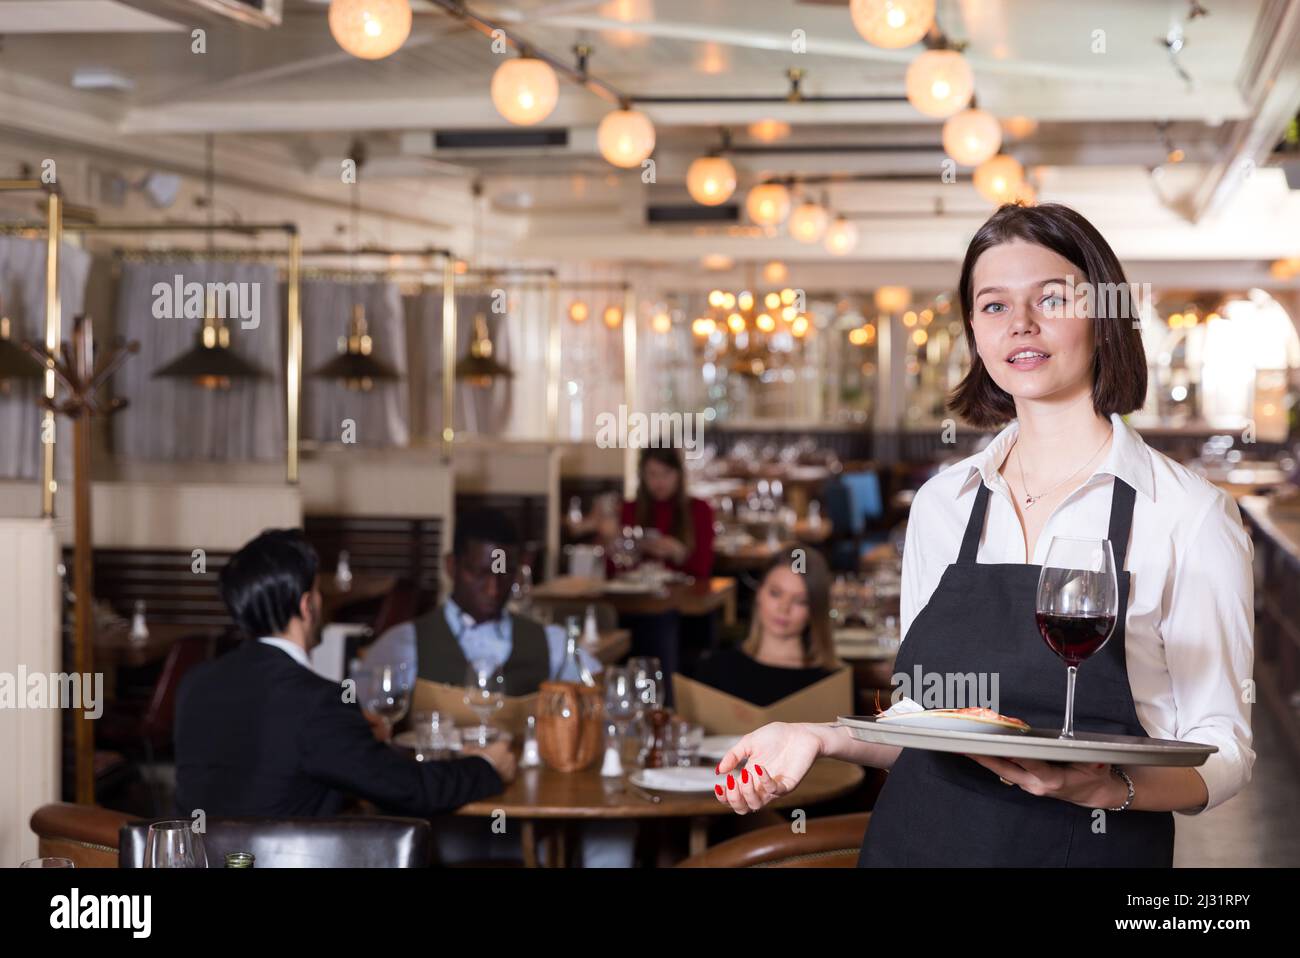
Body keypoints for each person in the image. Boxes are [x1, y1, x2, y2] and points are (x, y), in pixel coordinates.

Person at [713, 202, 1255, 867]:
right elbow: (922, 719)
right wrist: (815, 736)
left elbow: (1224, 747)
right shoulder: (944, 503)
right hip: (919, 845)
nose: (1021, 324)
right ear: (974, 330)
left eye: (1051, 298)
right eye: (994, 306)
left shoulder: (1188, 516)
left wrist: (1109, 787)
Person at [174, 529, 515, 819]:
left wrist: (356, 736)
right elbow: (409, 790)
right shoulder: (318, 703)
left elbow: (262, 762)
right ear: (308, 605)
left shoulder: (195, 684)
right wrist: (487, 766)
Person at [366, 509, 600, 689]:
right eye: (480, 573)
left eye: (504, 573)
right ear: (451, 566)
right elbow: (358, 722)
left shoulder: (552, 644)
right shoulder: (402, 646)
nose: (493, 589)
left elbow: (601, 696)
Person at [693, 547, 839, 706]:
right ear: (759, 593)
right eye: (775, 593)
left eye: (800, 601)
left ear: (815, 610)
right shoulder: (714, 670)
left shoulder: (834, 683)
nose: (784, 608)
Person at [615, 445, 714, 581]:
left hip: (684, 596)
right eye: (652, 474)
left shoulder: (699, 509)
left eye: (666, 473)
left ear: (679, 474)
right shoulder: (629, 509)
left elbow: (703, 570)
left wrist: (679, 554)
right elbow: (615, 569)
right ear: (642, 476)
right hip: (637, 596)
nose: (660, 481)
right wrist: (634, 547)